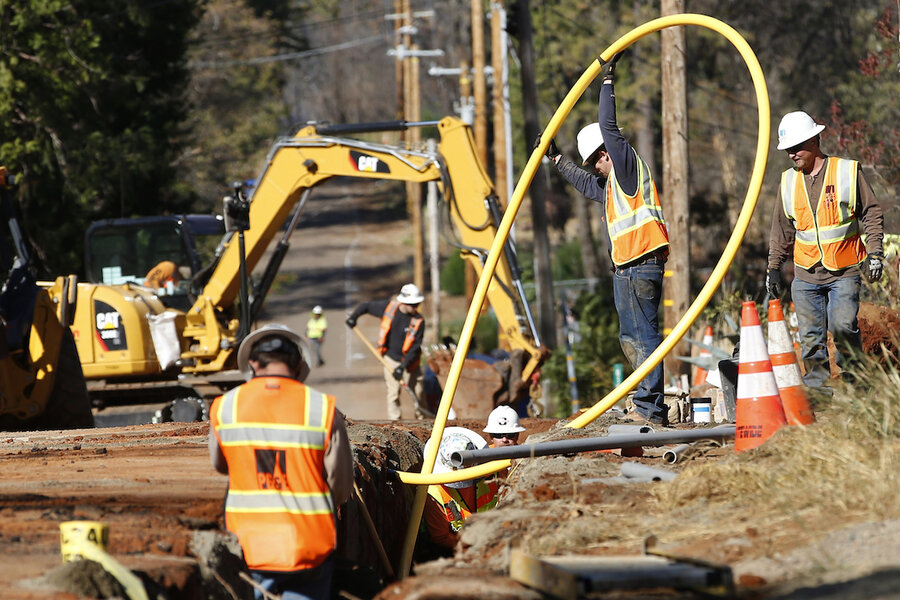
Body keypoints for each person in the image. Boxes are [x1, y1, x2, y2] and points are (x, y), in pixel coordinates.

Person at [541, 54, 670, 425]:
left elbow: (609, 128)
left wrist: (607, 81)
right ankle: (647, 406)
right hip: (628, 269)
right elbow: (586, 185)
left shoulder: (626, 169)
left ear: (605, 154)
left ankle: (649, 410)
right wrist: (556, 159)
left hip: (640, 264)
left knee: (642, 337)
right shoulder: (613, 184)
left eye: (595, 161)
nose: (594, 169)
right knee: (632, 337)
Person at [208, 324, 353, 600]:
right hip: (309, 544)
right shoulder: (322, 409)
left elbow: (220, 464)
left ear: (252, 364)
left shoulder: (226, 406)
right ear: (298, 365)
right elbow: (341, 483)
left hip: (248, 545)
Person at [766, 111, 884, 391]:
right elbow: (781, 228)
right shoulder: (788, 181)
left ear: (814, 141)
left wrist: (875, 253)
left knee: (843, 327)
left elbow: (871, 212)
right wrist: (773, 267)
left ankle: (856, 385)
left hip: (845, 269)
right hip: (805, 273)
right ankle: (819, 395)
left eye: (796, 147)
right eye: (788, 150)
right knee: (810, 338)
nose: (792, 154)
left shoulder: (846, 172)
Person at [346, 283, 426, 420]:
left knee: (418, 393)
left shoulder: (419, 321)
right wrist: (354, 316)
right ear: (404, 302)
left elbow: (414, 348)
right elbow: (365, 306)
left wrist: (403, 367)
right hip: (390, 360)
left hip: (410, 363)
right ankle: (395, 422)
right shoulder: (389, 308)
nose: (416, 307)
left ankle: (423, 420)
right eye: (413, 305)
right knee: (393, 393)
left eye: (417, 304)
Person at [422, 427, 498, 551]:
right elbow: (441, 537)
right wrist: (476, 547)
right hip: (461, 549)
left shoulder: (493, 469)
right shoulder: (434, 495)